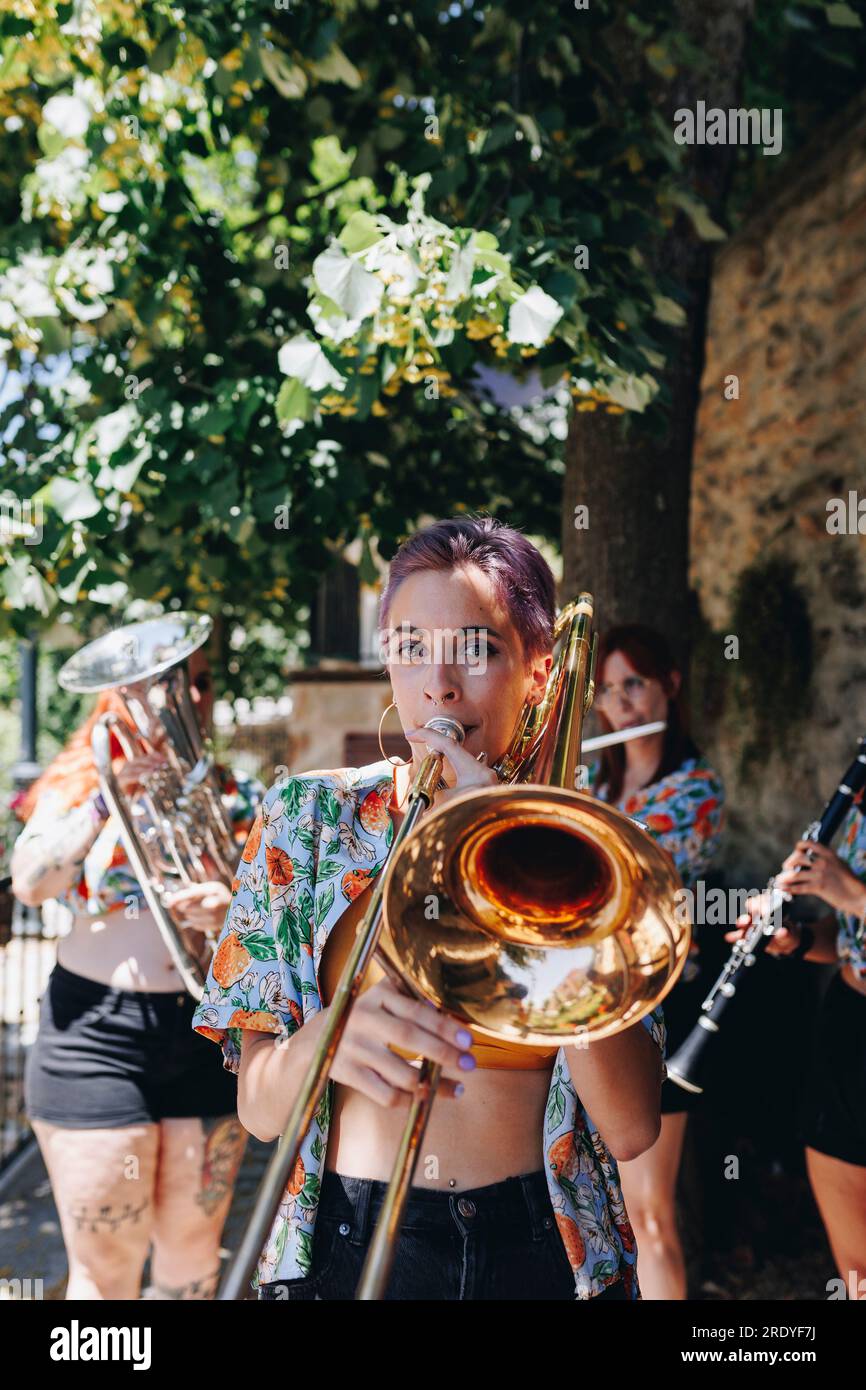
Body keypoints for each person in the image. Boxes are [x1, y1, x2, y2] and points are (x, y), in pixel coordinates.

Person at [193, 516, 667, 1301]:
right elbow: (260, 1111)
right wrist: (326, 1040)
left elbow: (630, 1126)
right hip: (349, 1240)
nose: (439, 685)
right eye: (411, 647)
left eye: (476, 648)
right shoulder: (305, 820)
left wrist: (526, 855)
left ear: (539, 671)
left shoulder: (595, 848)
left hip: (543, 1245)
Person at [11, 645, 262, 1300]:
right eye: (166, 683)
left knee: (192, 1258)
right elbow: (33, 885)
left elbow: (276, 922)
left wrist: (229, 906)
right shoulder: (76, 789)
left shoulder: (241, 795)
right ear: (118, 696)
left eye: (201, 682)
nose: (191, 698)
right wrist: (106, 800)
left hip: (206, 1033)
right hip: (97, 1036)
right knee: (106, 1269)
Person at [585, 626, 725, 1300]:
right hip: (586, 1003)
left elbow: (624, 878)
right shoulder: (589, 781)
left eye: (633, 684)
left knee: (648, 1215)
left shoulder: (695, 790)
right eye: (608, 691)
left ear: (669, 683)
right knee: (588, 1209)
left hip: (659, 1007)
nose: (621, 705)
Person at [727, 800, 866, 1299]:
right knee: (857, 1272)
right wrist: (799, 939)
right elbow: (854, 940)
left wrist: (853, 895)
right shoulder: (860, 795)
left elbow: (857, 905)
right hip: (849, 1024)